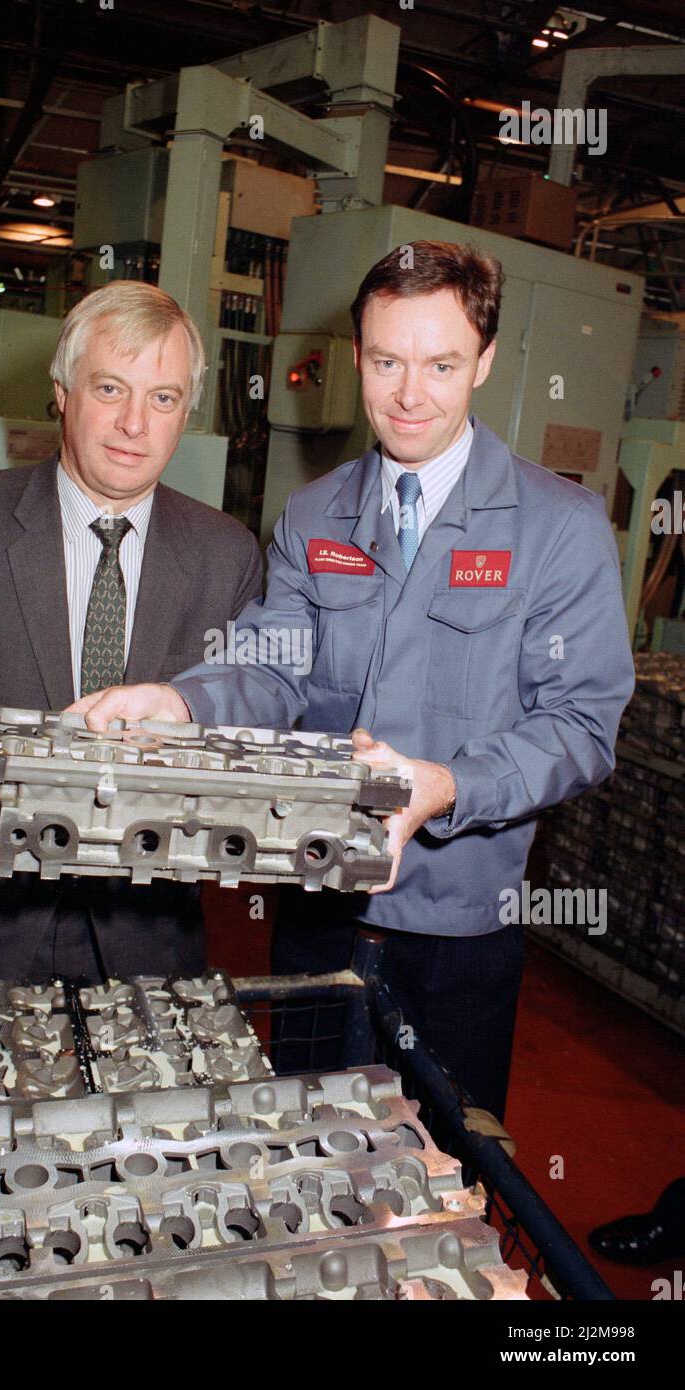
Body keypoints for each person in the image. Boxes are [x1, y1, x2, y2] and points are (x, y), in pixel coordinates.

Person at [67, 241, 635, 1121]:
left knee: (440, 1180)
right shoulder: (318, 511)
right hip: (319, 905)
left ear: (484, 362)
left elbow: (583, 725)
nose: (409, 394)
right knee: (298, 1153)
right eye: (386, 361)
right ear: (357, 358)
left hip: (456, 930)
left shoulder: (558, 528)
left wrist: (446, 785)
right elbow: (273, 659)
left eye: (441, 363)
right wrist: (180, 701)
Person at [0, 282, 262, 986]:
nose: (134, 423)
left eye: (162, 398)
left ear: (186, 411)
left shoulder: (228, 556)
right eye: (109, 388)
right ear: (61, 390)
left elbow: (256, 705)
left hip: (148, 937)